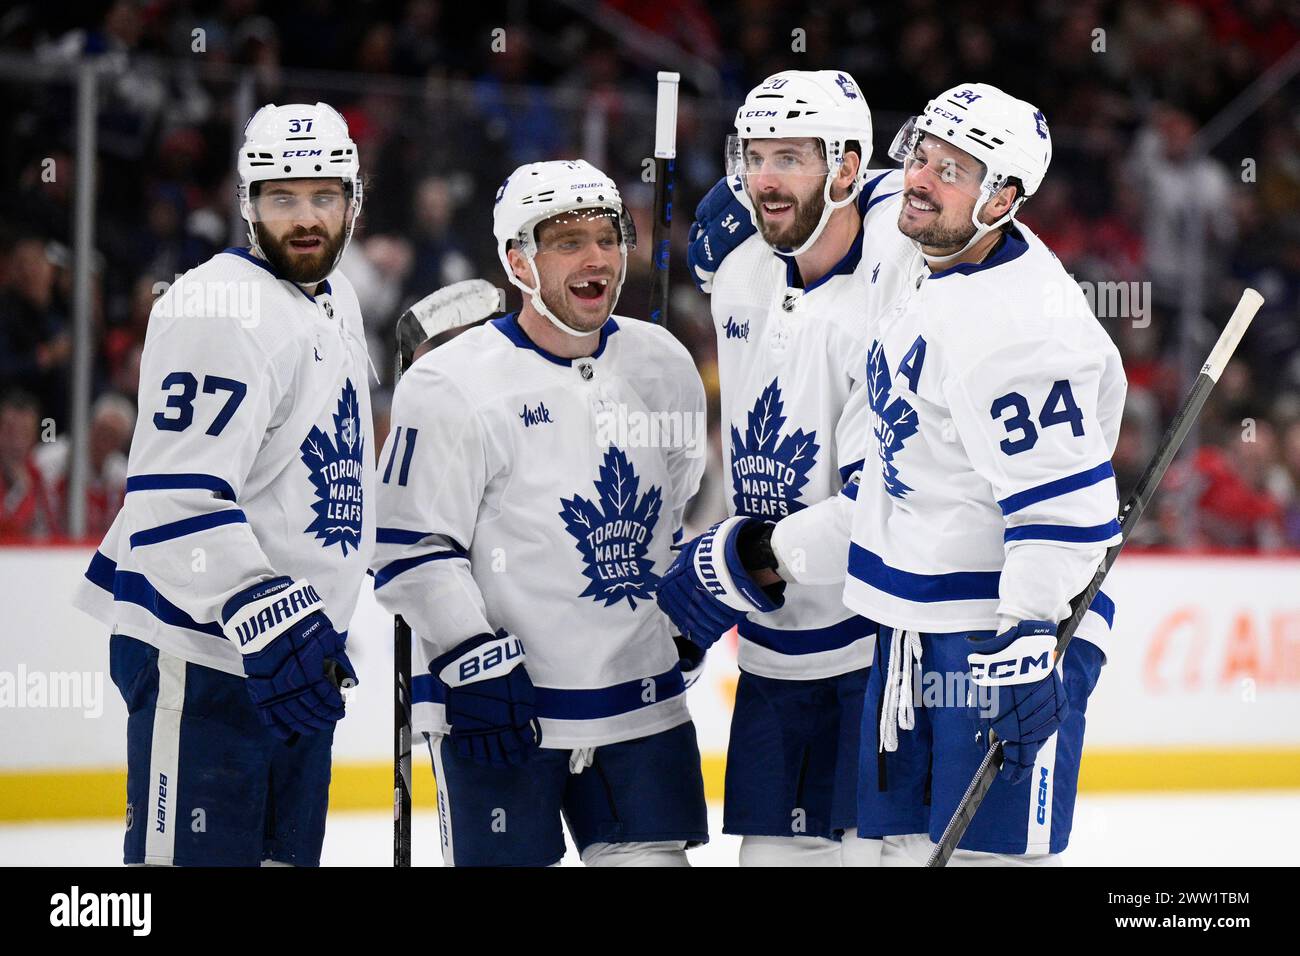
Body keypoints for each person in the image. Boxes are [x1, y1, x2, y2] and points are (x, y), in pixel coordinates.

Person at [668, 83, 1120, 864]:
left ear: (1002, 197)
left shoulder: (1022, 329)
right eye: (921, 156)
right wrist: (754, 189)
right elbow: (861, 188)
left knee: (987, 861)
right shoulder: (926, 259)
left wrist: (1029, 635)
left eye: (953, 171)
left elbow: (1063, 510)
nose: (919, 178)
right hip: (913, 631)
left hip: (995, 636)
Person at [371, 159, 709, 867]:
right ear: (517, 260)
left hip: (638, 701)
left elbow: (671, 512)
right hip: (500, 705)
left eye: (608, 236)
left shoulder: (664, 365)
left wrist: (678, 618)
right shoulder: (449, 383)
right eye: (566, 241)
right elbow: (410, 547)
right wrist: (469, 655)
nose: (596, 258)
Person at [73, 102, 374, 867]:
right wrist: (270, 613)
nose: (305, 219)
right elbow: (175, 497)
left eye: (324, 196)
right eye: (282, 198)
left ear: (354, 199)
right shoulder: (220, 305)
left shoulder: (333, 298)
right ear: (247, 204)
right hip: (206, 654)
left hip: (297, 659)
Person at [657, 70, 911, 866]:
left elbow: (880, 505)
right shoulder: (737, 267)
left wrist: (738, 564)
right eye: (754, 155)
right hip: (773, 653)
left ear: (846, 169)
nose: (764, 177)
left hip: (873, 656)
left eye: (791, 157)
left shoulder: (895, 295)